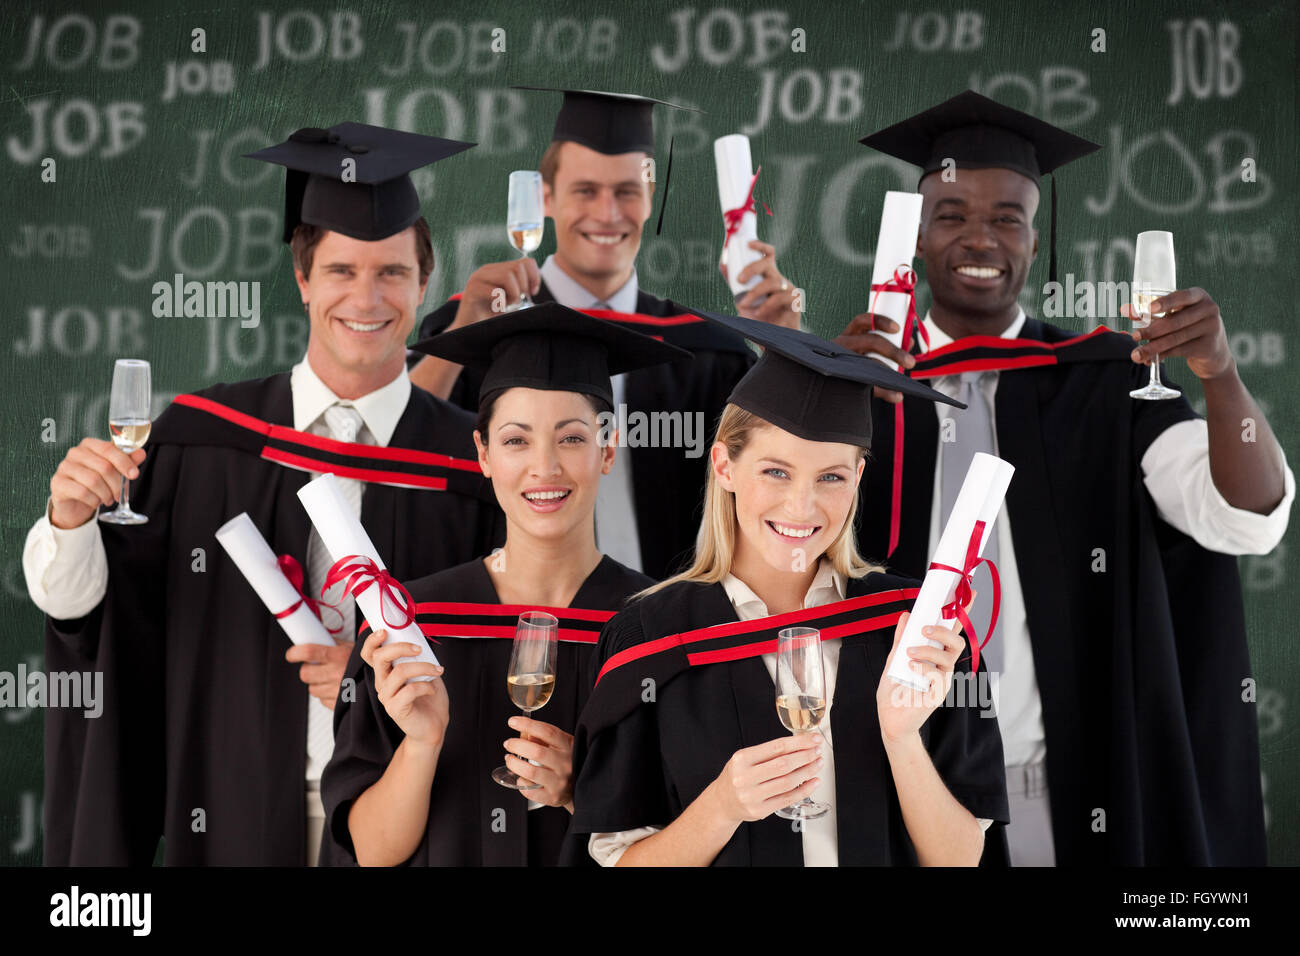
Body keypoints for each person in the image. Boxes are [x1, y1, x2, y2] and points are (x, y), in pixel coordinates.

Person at [24, 122, 504, 866]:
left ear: (423, 283)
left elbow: (509, 655)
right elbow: (95, 616)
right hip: (233, 820)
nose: (367, 297)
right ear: (304, 279)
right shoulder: (203, 439)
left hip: (413, 830)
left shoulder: (476, 464)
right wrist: (71, 522)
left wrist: (373, 685)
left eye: (392, 273)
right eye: (342, 271)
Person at [844, 91, 1293, 865]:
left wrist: (1218, 375)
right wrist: (828, 399)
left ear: (1036, 236)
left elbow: (1245, 518)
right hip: (896, 784)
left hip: (1065, 790)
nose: (979, 237)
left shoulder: (1104, 384)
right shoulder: (860, 383)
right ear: (916, 237)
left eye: (1007, 217)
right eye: (950, 213)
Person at [564, 310, 1009, 866]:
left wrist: (899, 736)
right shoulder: (649, 635)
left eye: (831, 477)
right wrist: (723, 805)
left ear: (858, 479)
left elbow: (960, 858)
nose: (802, 506)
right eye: (776, 471)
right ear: (725, 465)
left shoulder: (915, 626)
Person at [321, 303, 685, 865]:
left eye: (571, 438)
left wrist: (579, 794)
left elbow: (693, 837)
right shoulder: (411, 622)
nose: (545, 467)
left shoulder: (664, 627)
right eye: (516, 441)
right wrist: (422, 742)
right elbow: (371, 852)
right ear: (483, 454)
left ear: (607, 449)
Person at [409, 87, 803, 580]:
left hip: (669, 627)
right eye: (585, 190)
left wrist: (786, 354)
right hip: (513, 627)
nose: (607, 213)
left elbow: (773, 484)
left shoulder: (704, 350)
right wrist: (463, 331)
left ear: (649, 199)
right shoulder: (477, 330)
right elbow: (405, 453)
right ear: (546, 197)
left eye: (626, 192)